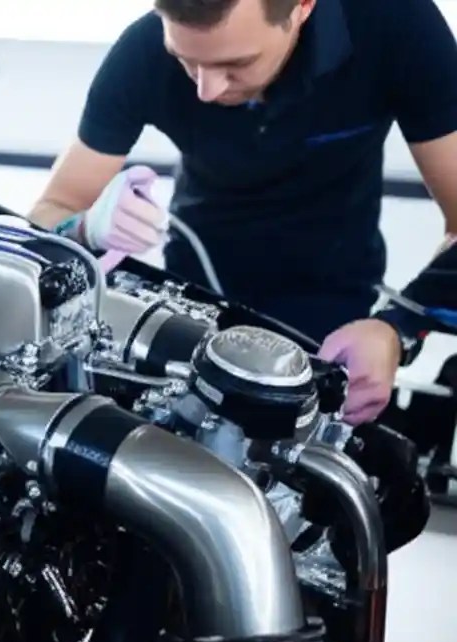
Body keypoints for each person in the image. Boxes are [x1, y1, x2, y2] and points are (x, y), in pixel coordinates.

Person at [28, 0, 457, 425]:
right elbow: (49, 212)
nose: (206, 90)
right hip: (188, 307)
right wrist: (84, 226)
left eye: (237, 64)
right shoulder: (143, 48)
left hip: (329, 318)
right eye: (187, 62)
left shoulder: (395, 24)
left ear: (303, 7)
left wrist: (395, 330)